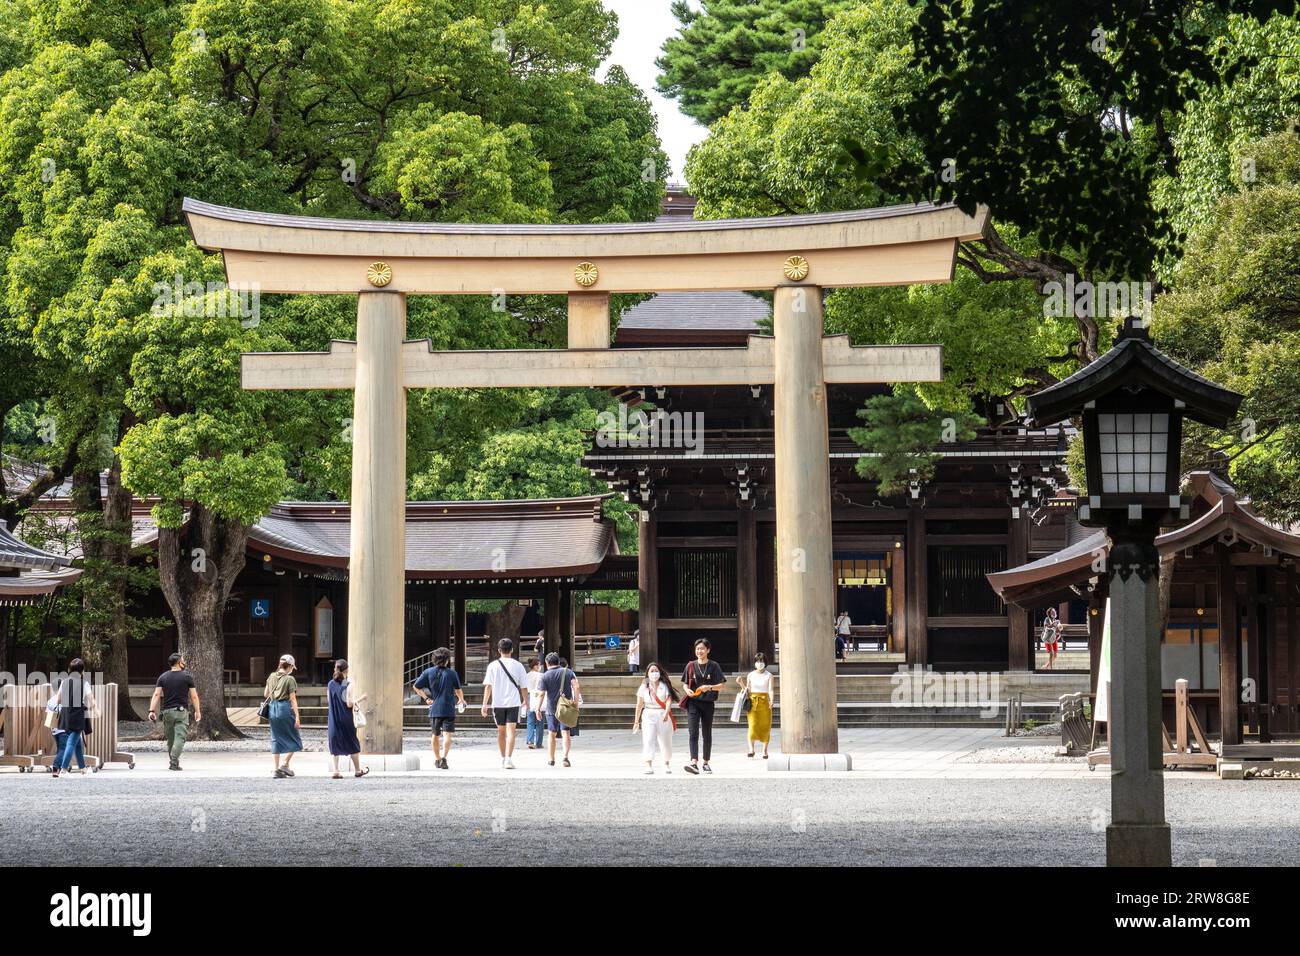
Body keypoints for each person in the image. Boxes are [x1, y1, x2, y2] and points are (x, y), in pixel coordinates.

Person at [481, 637, 529, 769]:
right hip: (513, 702)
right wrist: (526, 701)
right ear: (512, 650)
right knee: (511, 731)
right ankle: (508, 758)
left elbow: (488, 686)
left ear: (498, 650)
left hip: (497, 703)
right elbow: (524, 687)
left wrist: (484, 704)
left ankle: (503, 758)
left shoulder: (492, 666)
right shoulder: (518, 665)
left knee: (501, 732)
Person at [147, 652, 201, 771]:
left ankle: (174, 763)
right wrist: (197, 711)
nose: (184, 662)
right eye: (183, 660)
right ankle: (173, 762)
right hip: (181, 712)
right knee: (180, 737)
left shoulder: (163, 677)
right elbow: (194, 696)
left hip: (167, 712)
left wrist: (151, 710)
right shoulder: (187, 676)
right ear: (179, 662)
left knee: (171, 739)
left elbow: (156, 694)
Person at [680, 638, 726, 774]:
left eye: (702, 648)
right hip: (693, 703)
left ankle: (706, 762)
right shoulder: (690, 665)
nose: (699, 651)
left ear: (708, 650)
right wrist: (686, 690)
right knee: (693, 732)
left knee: (707, 733)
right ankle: (694, 762)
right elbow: (684, 682)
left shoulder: (714, 665)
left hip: (708, 703)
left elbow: (722, 685)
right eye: (697, 649)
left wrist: (710, 687)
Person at [413, 647, 465, 769]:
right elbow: (458, 690)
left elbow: (416, 686)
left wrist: (426, 698)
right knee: (447, 735)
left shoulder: (428, 672)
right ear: (447, 660)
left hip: (435, 708)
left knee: (435, 735)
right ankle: (444, 758)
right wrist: (461, 700)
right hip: (449, 708)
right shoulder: (452, 673)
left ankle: (437, 759)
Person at [50, 659, 95, 777]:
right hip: (77, 716)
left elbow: (58, 700)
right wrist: (96, 708)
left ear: (69, 670)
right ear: (82, 670)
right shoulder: (84, 683)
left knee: (78, 743)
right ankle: (63, 770)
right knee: (71, 743)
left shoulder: (64, 682)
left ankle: (83, 769)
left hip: (65, 716)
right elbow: (91, 700)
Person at [326, 659, 369, 779]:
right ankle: (357, 770)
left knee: (334, 742)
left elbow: (329, 701)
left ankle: (336, 770)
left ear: (335, 669)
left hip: (333, 717)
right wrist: (361, 698)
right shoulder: (348, 683)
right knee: (352, 742)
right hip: (346, 717)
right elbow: (349, 704)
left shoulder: (330, 684)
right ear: (347, 670)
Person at [632, 661, 676, 774]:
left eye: (656, 671)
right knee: (648, 738)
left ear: (660, 672)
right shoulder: (643, 686)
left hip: (662, 714)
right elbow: (639, 704)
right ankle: (648, 763)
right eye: (652, 671)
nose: (654, 673)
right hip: (648, 714)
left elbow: (669, 699)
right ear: (647, 673)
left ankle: (666, 763)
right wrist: (636, 721)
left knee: (665, 740)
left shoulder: (664, 685)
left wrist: (667, 712)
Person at [536, 652, 580, 767]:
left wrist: (538, 709)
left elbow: (541, 694)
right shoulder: (568, 672)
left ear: (546, 663)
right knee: (566, 732)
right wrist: (575, 702)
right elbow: (576, 686)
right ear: (558, 662)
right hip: (565, 707)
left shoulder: (545, 676)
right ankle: (565, 758)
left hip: (552, 709)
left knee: (551, 733)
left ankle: (551, 759)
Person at [263, 654, 303, 778]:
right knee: (295, 738)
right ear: (290, 666)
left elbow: (266, 694)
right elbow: (293, 699)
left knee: (275, 738)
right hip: (284, 708)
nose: (292, 669)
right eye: (292, 667)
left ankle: (276, 769)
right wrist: (297, 716)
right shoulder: (290, 679)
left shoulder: (271, 676)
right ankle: (285, 764)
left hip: (272, 709)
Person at [738, 653, 776, 759]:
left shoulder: (769, 675)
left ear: (765, 663)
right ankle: (751, 749)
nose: (760, 663)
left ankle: (764, 750)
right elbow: (747, 690)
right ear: (754, 663)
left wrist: (771, 700)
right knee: (752, 725)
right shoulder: (750, 675)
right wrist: (741, 683)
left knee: (765, 726)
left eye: (762, 661)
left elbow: (771, 690)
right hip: (753, 702)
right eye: (758, 661)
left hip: (764, 702)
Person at [524, 658, 546, 749]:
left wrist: (524, 700)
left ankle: (530, 741)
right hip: (538, 697)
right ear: (536, 666)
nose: (540, 667)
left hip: (529, 697)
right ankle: (539, 743)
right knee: (540, 720)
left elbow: (524, 688)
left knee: (530, 721)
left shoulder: (526, 675)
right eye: (539, 665)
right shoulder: (541, 675)